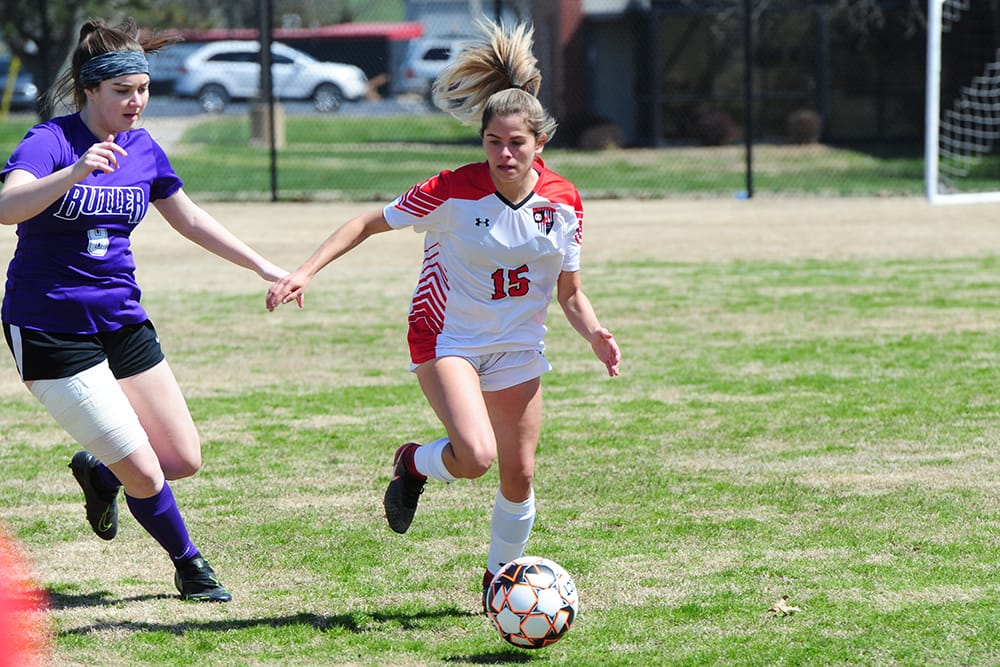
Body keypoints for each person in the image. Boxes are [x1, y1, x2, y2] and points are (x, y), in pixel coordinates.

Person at [266, 19, 621, 603]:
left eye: (517, 143)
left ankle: (497, 584)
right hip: (447, 337)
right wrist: (304, 270)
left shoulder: (563, 201)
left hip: (517, 345)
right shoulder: (453, 190)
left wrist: (595, 333)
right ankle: (414, 463)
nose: (504, 153)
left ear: (540, 144)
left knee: (520, 474)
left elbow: (570, 293)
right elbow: (365, 223)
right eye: (493, 142)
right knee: (476, 456)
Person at [0, 18, 292, 602]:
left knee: (181, 457)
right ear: (89, 89)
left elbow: (190, 218)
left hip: (121, 320)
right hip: (50, 325)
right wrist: (74, 173)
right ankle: (190, 566)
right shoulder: (51, 140)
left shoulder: (143, 147)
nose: (137, 101)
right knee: (146, 471)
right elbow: (8, 207)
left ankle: (99, 470)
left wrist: (263, 266)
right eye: (122, 91)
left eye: (143, 89)